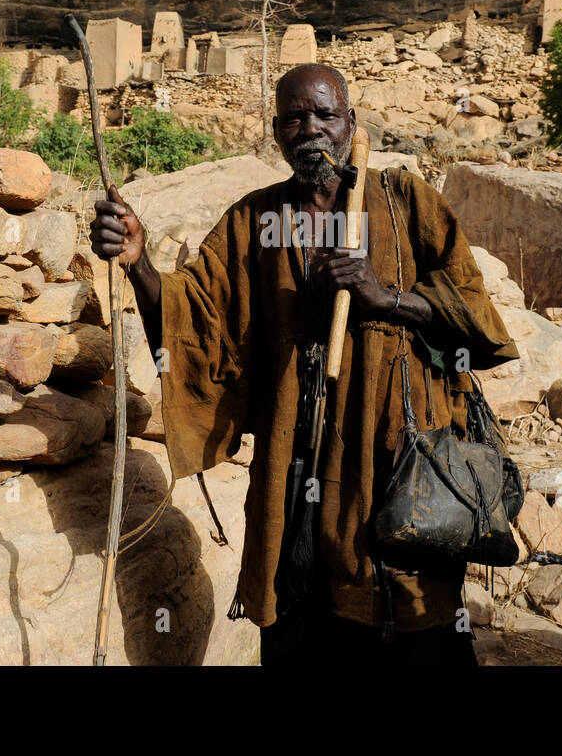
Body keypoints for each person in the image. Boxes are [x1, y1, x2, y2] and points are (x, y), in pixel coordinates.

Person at [91, 63, 517, 665]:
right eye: (294, 117)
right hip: (297, 473)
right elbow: (196, 313)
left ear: (350, 122)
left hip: (398, 468)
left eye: (324, 114)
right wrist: (138, 262)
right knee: (300, 621)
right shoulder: (253, 220)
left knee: (414, 626)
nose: (310, 128)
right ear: (275, 131)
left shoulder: (404, 203)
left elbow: (475, 318)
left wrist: (384, 297)